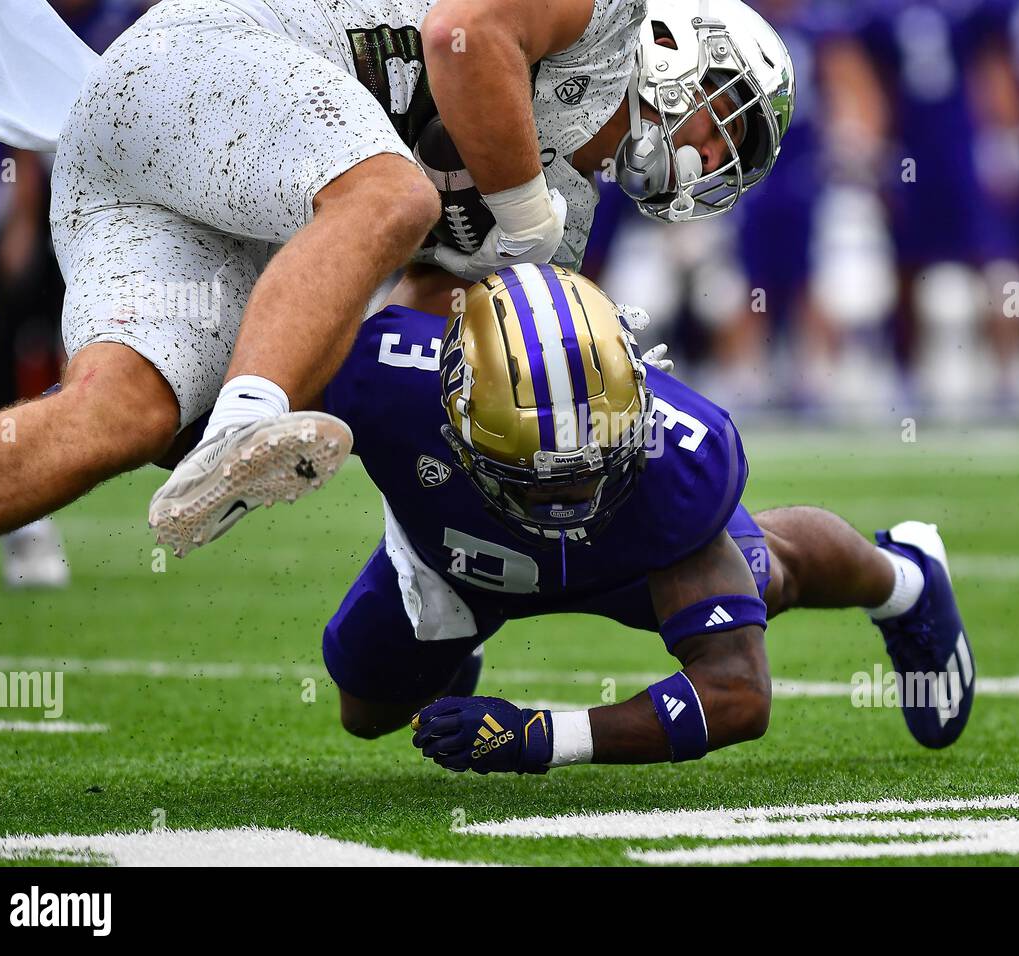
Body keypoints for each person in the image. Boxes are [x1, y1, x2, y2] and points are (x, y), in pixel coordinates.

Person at [0, 0, 797, 562]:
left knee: (124, 416)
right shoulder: (608, 18)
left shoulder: (571, 213)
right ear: (680, 41)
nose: (715, 160)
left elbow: (429, 335)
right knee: (393, 192)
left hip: (171, 170)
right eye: (728, 121)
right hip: (192, 61)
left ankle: (229, 424)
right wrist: (524, 215)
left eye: (733, 163)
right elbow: (463, 36)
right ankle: (245, 422)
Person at [319, 266, 976, 773]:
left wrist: (539, 737)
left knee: (768, 575)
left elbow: (736, 697)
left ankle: (906, 580)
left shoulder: (678, 461)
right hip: (454, 549)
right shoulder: (379, 378)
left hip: (626, 550)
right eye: (539, 477)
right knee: (367, 714)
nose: (570, 500)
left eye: (588, 467)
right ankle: (458, 634)